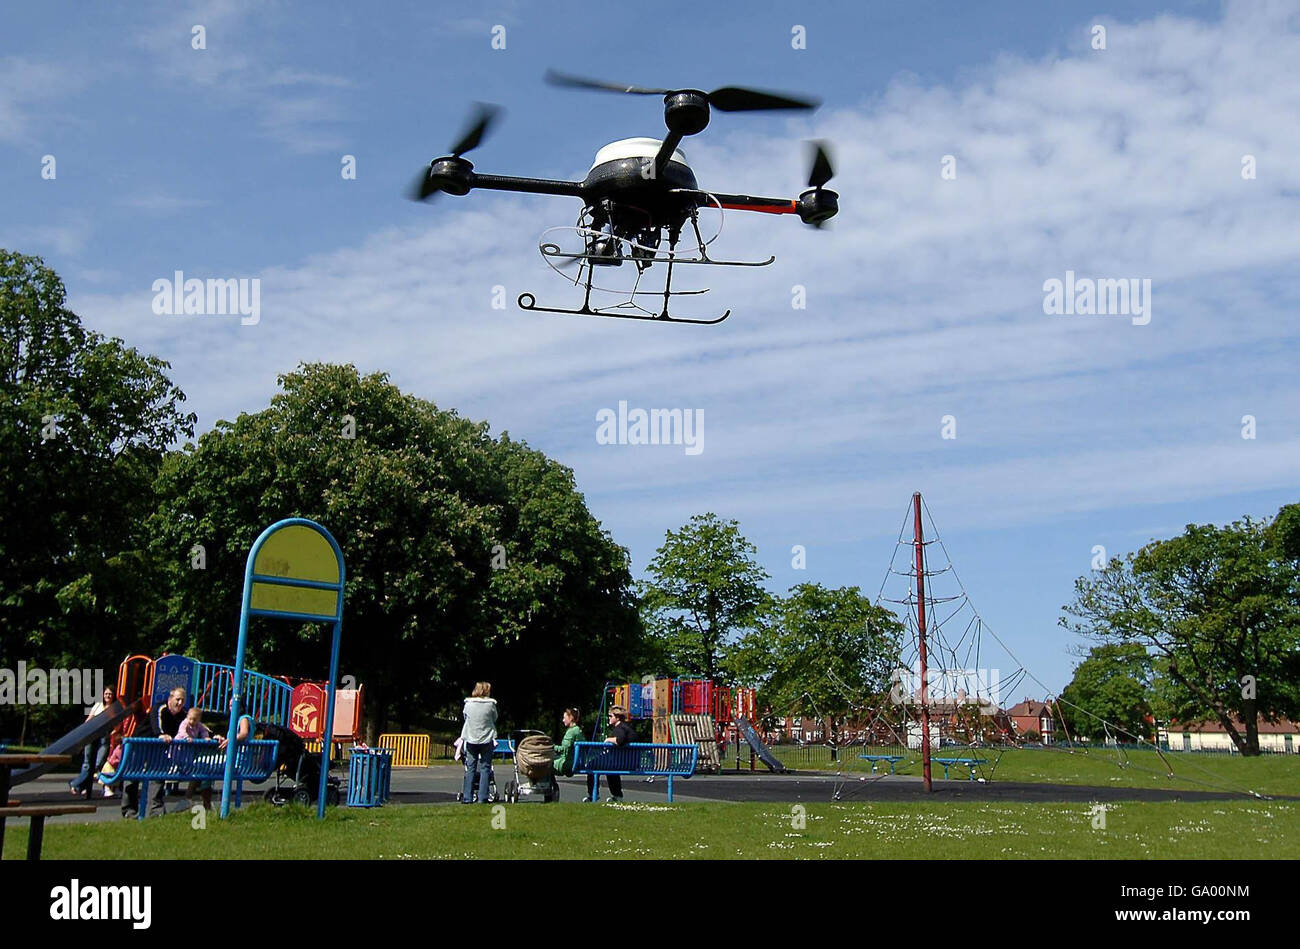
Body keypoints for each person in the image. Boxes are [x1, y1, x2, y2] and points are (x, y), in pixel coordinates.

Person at [122, 686, 188, 818]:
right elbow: (156, 722)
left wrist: (212, 735)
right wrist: (161, 734)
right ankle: (129, 811)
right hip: (140, 743)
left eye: (183, 700)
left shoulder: (183, 715)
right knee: (132, 777)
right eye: (177, 699)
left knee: (158, 778)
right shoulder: (160, 708)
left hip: (158, 748)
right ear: (170, 698)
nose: (180, 703)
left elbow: (196, 725)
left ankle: (155, 811)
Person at [69, 684, 117, 798]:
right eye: (106, 693)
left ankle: (75, 784)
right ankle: (83, 786)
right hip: (92, 734)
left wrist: (113, 733)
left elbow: (116, 725)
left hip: (104, 736)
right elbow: (89, 719)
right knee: (87, 763)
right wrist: (83, 732)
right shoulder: (98, 705)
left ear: (113, 695)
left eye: (110, 694)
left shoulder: (114, 708)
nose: (108, 696)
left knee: (98, 763)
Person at [586, 705, 635, 803]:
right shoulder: (627, 728)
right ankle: (617, 795)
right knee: (610, 768)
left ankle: (593, 794)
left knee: (591, 765)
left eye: (610, 716)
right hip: (628, 761)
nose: (609, 718)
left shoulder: (620, 728)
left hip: (621, 762)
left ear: (617, 718)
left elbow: (619, 740)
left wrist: (608, 739)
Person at [459, 681, 497, 805]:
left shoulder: (468, 704)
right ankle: (482, 797)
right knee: (485, 767)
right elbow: (494, 717)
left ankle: (467, 797)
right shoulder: (491, 704)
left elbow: (465, 717)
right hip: (486, 738)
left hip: (471, 738)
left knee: (470, 768)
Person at [175, 707, 216, 809]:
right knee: (179, 757)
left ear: (199, 719)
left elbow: (203, 731)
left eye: (195, 720)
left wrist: (206, 737)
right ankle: (176, 767)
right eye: (190, 719)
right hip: (180, 746)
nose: (192, 721)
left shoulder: (199, 725)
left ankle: (189, 795)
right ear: (187, 717)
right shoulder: (185, 723)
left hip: (188, 749)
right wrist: (186, 737)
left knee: (191, 762)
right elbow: (181, 731)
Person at [553, 707, 583, 777]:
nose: (563, 720)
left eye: (564, 718)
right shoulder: (578, 730)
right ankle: (552, 784)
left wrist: (552, 747)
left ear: (571, 718)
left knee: (543, 764)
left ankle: (545, 785)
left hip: (568, 763)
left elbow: (564, 750)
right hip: (577, 761)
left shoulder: (571, 732)